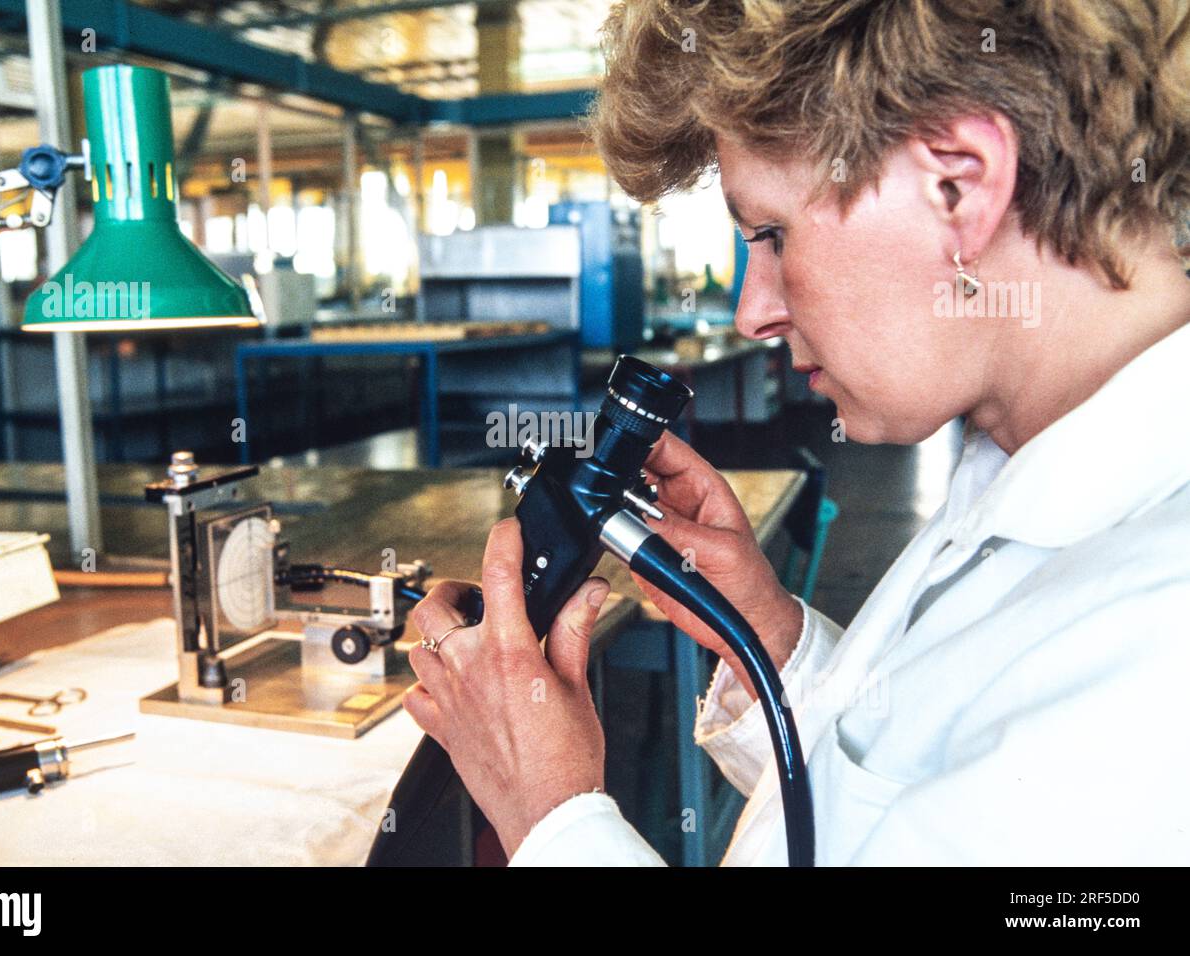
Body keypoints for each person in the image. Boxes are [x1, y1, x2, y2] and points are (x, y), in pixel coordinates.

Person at [403, 0, 1190, 864]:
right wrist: (770, 643)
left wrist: (547, 812)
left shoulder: (1160, 651)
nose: (753, 313)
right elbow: (900, 800)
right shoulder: (1026, 460)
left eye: (772, 235)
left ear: (960, 184)